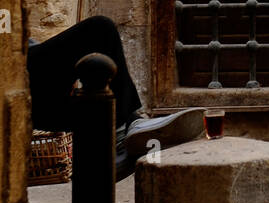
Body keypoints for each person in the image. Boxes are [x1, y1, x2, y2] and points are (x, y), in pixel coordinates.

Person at [26, 15, 204, 181]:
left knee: (97, 104)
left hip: (33, 93)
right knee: (99, 28)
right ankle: (122, 130)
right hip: (20, 84)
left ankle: (126, 130)